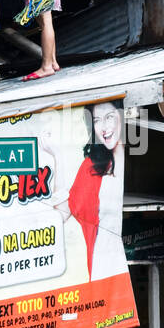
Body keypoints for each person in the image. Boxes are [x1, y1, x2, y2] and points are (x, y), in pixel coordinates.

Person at [43, 101, 124, 282]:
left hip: (116, 268)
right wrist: (57, 156)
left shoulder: (121, 154)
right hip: (98, 271)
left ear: (121, 115)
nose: (103, 127)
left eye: (109, 117)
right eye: (96, 120)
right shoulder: (91, 166)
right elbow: (61, 214)